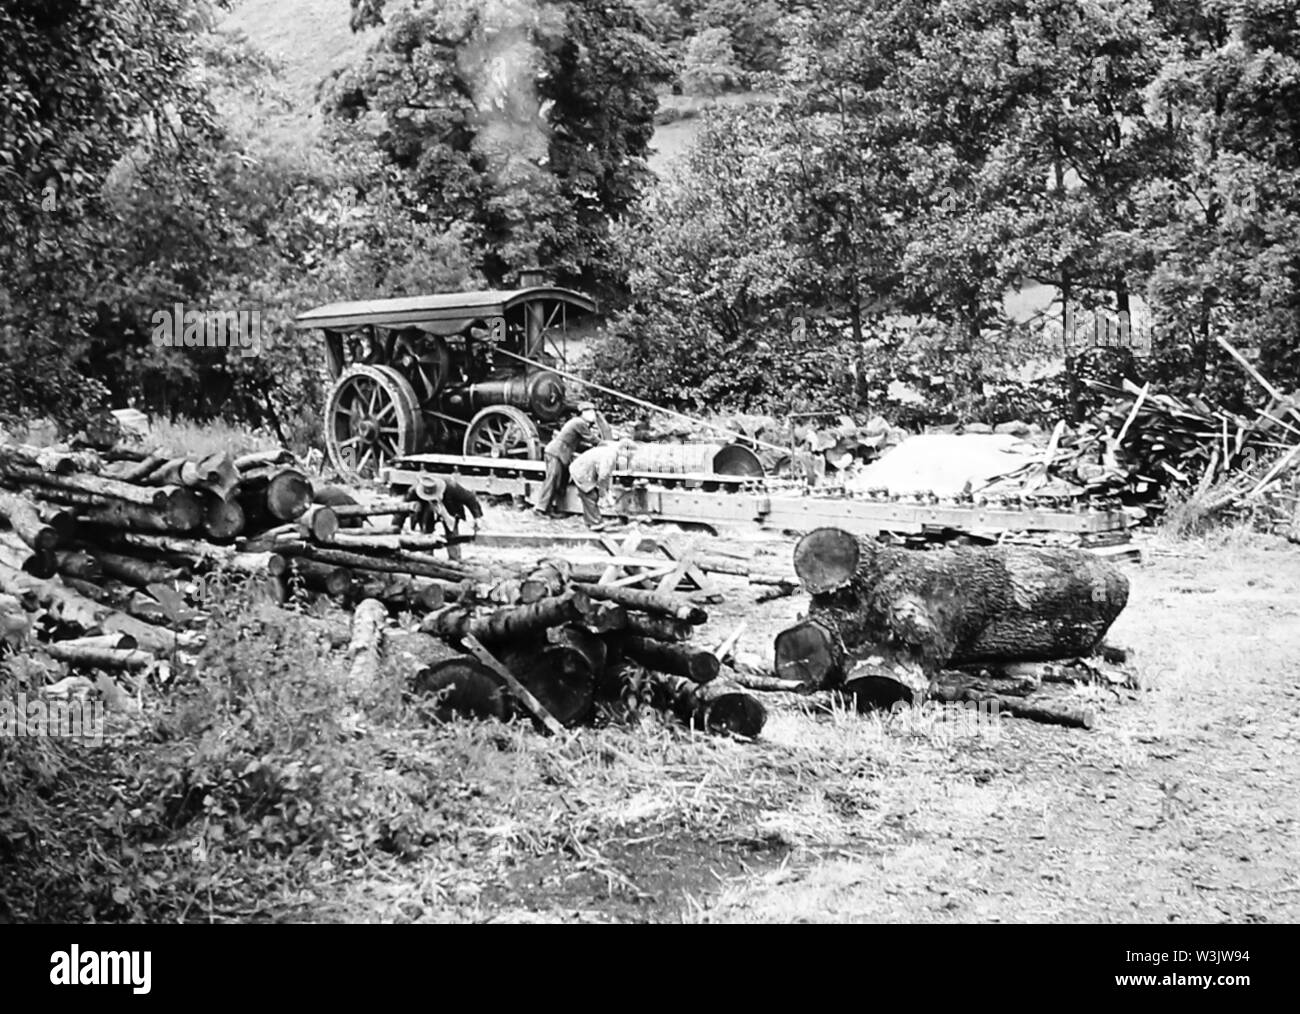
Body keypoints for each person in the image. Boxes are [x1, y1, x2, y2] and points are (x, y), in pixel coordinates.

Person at [533, 401, 600, 515]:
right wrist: (607, 444)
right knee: (553, 480)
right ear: (583, 413)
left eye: (593, 412)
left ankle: (553, 508)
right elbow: (592, 439)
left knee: (561, 482)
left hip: (562, 454)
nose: (593, 415)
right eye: (590, 412)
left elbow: (579, 444)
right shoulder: (579, 423)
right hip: (556, 452)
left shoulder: (578, 424)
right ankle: (540, 509)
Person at [402, 474, 483, 560]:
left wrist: (477, 517)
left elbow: (470, 498)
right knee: (426, 535)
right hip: (426, 512)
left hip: (450, 509)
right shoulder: (414, 491)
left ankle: (455, 560)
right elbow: (401, 510)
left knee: (452, 536)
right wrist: (395, 527)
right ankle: (427, 561)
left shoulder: (451, 487)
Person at [569, 438, 634, 531]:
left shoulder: (613, 453)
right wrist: (604, 493)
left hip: (587, 470)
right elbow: (603, 476)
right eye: (629, 452)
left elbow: (608, 475)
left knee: (591, 495)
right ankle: (595, 523)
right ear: (623, 449)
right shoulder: (610, 456)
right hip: (581, 471)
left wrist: (608, 490)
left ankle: (590, 521)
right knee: (590, 496)